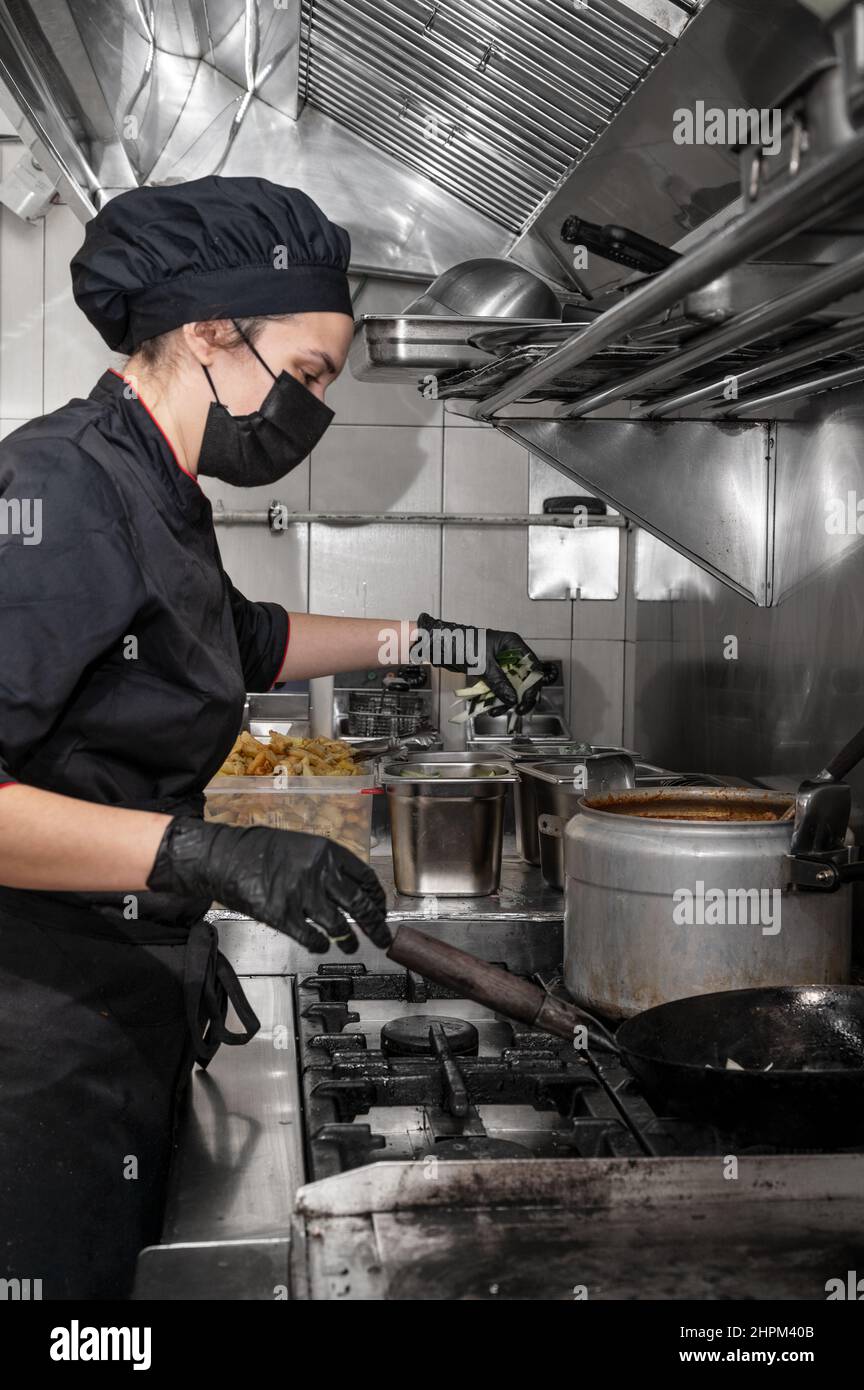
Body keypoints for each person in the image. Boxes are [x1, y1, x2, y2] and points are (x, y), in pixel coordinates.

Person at [0, 174, 544, 1298]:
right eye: (303, 375)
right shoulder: (60, 489)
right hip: (31, 1029)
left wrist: (430, 640)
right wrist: (207, 854)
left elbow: (233, 638)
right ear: (208, 329)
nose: (308, 411)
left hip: (109, 992)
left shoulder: (154, 483)